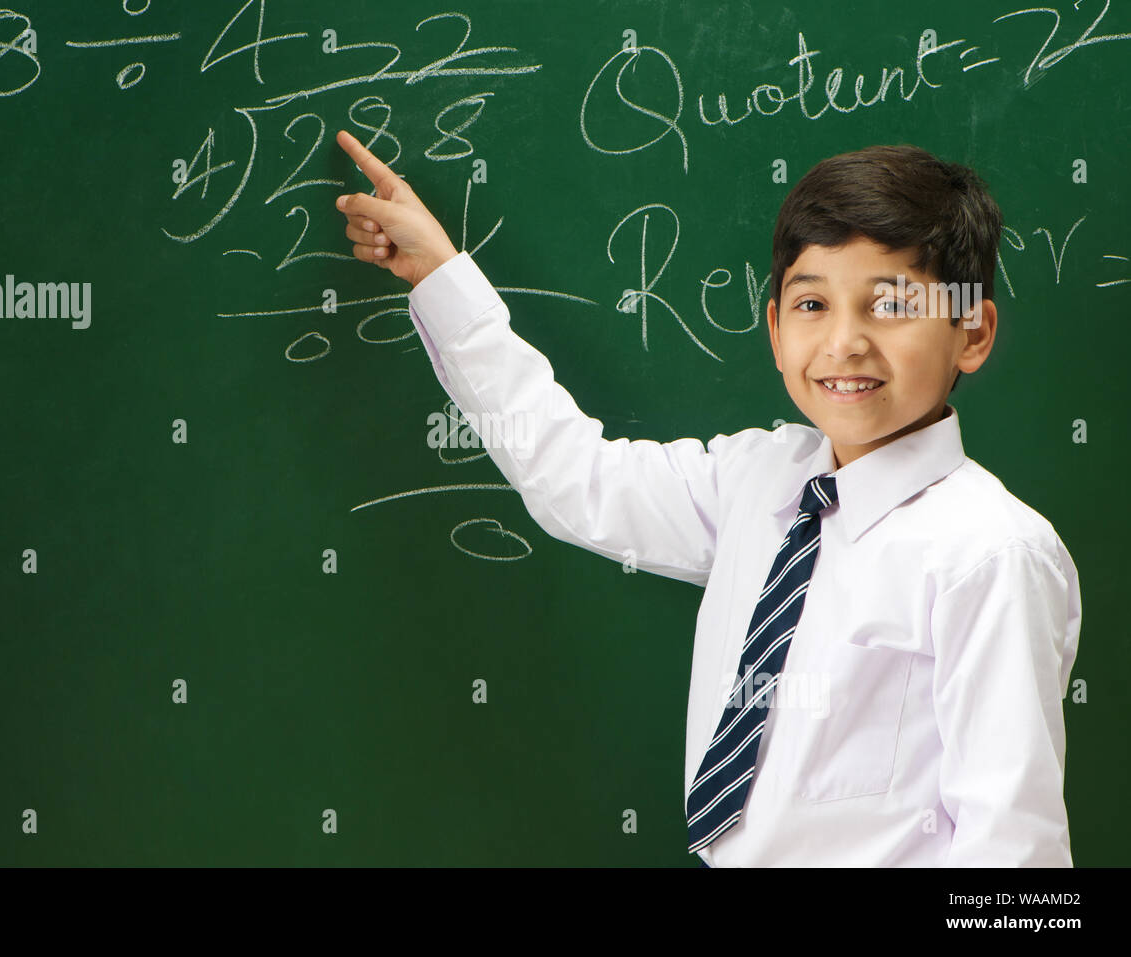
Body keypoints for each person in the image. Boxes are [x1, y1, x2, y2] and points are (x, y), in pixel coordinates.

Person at [332, 130, 1081, 867]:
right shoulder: (760, 480)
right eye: (813, 304)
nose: (845, 342)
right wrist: (440, 276)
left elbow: (1014, 854)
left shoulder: (988, 553)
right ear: (776, 330)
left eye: (889, 304)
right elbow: (575, 476)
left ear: (972, 332)